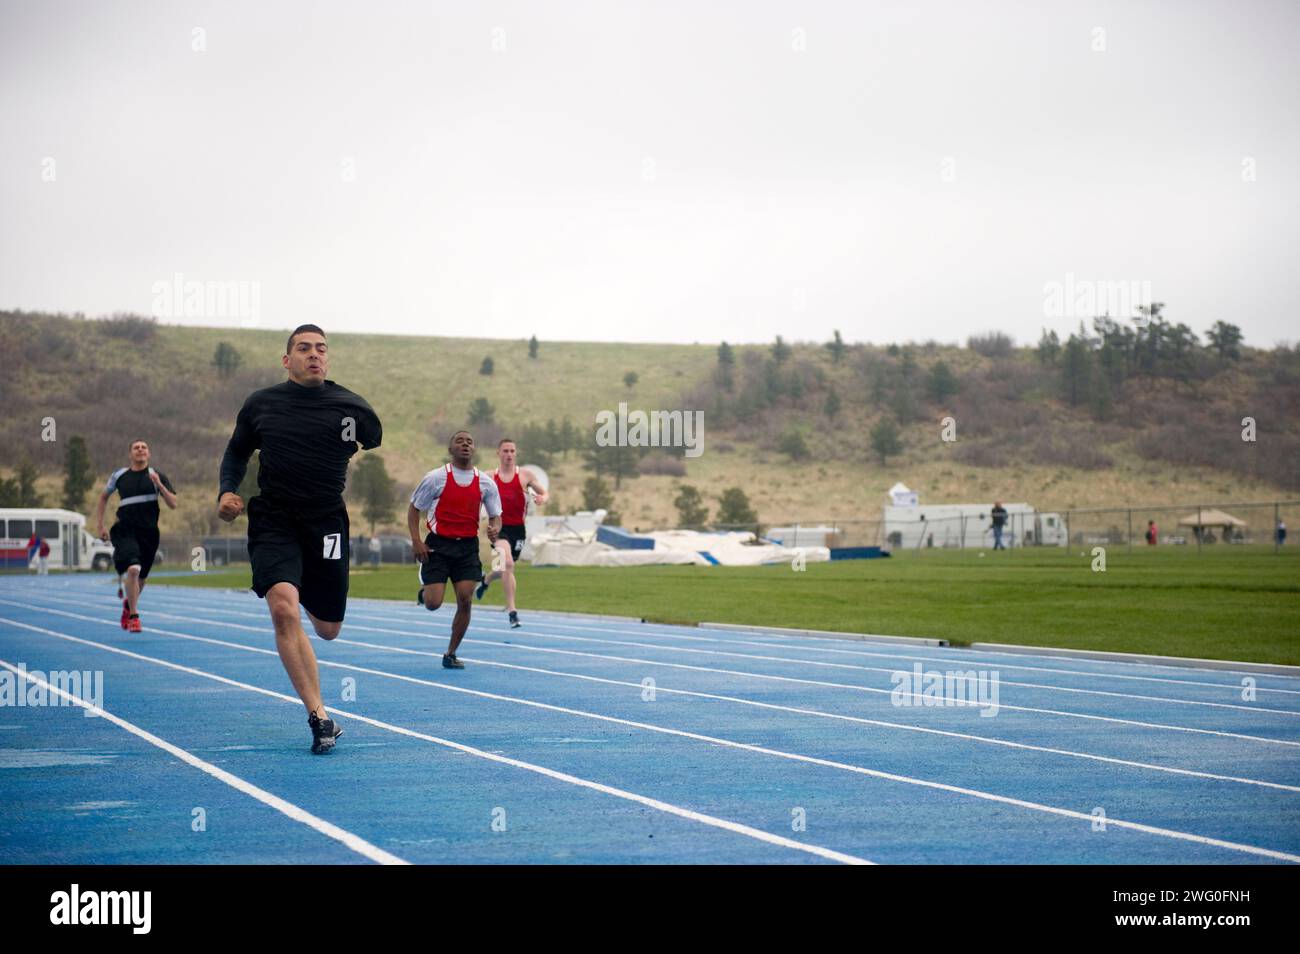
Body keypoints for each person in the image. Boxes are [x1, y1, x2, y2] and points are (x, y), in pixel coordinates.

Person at [217, 324, 382, 755]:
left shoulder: (348, 405)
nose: (314, 354)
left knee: (328, 629)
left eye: (321, 349)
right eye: (304, 348)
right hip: (274, 518)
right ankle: (320, 716)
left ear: (327, 359)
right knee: (283, 609)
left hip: (326, 521)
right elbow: (236, 451)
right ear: (286, 359)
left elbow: (373, 437)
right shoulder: (262, 404)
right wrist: (227, 491)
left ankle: (301, 586)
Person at [408, 431, 502, 669]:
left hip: (467, 548)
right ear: (450, 449)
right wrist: (416, 541)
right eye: (459, 441)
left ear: (474, 449)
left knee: (465, 600)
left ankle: (450, 653)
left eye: (470, 441)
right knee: (433, 603)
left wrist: (494, 529)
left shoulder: (485, 482)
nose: (465, 444)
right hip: (438, 546)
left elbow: (495, 516)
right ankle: (425, 591)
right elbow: (414, 509)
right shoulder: (435, 478)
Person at [95, 440, 178, 631]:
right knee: (133, 569)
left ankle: (128, 605)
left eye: (144, 447)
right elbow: (103, 497)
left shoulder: (156, 475)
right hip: (124, 530)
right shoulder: (119, 475)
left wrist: (159, 485)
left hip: (149, 533)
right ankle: (134, 616)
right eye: (136, 447)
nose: (140, 449)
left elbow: (173, 504)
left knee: (141, 577)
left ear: (148, 454)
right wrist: (100, 525)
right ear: (130, 454)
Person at [475, 438, 548, 628]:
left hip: (518, 530)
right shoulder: (489, 476)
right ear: (498, 453)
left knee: (502, 569)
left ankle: (486, 579)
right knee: (507, 563)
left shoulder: (525, 475)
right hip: (498, 528)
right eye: (505, 451)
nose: (509, 454)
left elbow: (544, 492)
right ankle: (512, 611)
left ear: (516, 453)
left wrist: (542, 498)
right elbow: (474, 494)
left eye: (512, 451)